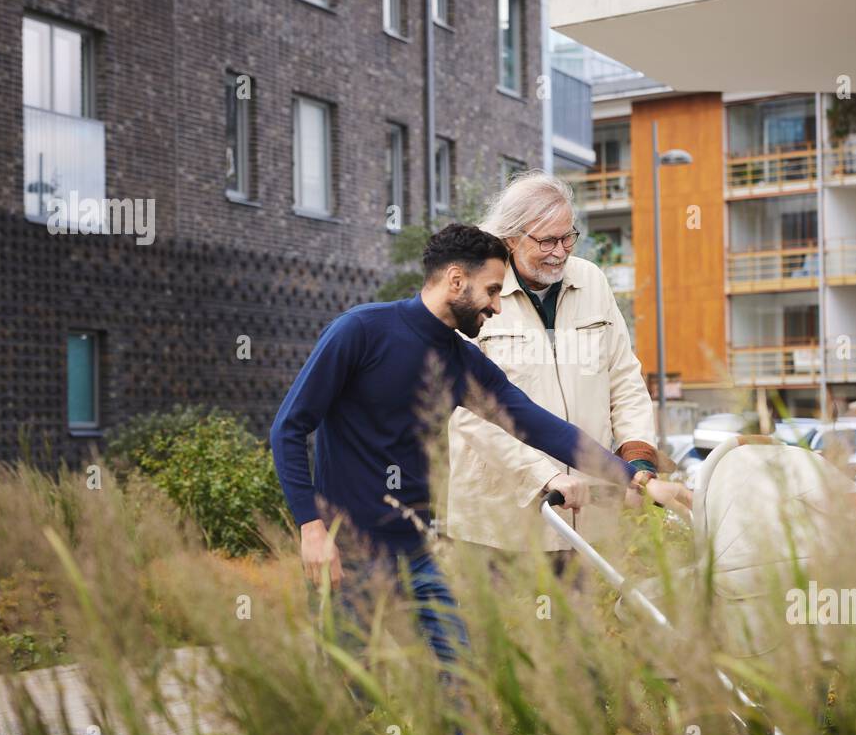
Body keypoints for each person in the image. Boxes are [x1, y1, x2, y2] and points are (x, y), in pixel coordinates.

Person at [270, 223, 682, 670]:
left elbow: (539, 426)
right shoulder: (360, 331)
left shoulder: (462, 361)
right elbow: (289, 428)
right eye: (491, 291)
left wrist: (636, 478)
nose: (497, 306)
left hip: (417, 553)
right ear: (455, 280)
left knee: (460, 680)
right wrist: (311, 528)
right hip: (345, 551)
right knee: (347, 693)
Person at [446, 172, 659, 571]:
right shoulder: (475, 291)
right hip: (501, 527)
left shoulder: (592, 282)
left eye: (567, 237)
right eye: (546, 241)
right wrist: (544, 477)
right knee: (508, 633)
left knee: (586, 632)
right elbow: (468, 413)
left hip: (591, 523)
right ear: (510, 237)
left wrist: (638, 458)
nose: (560, 252)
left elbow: (624, 379)